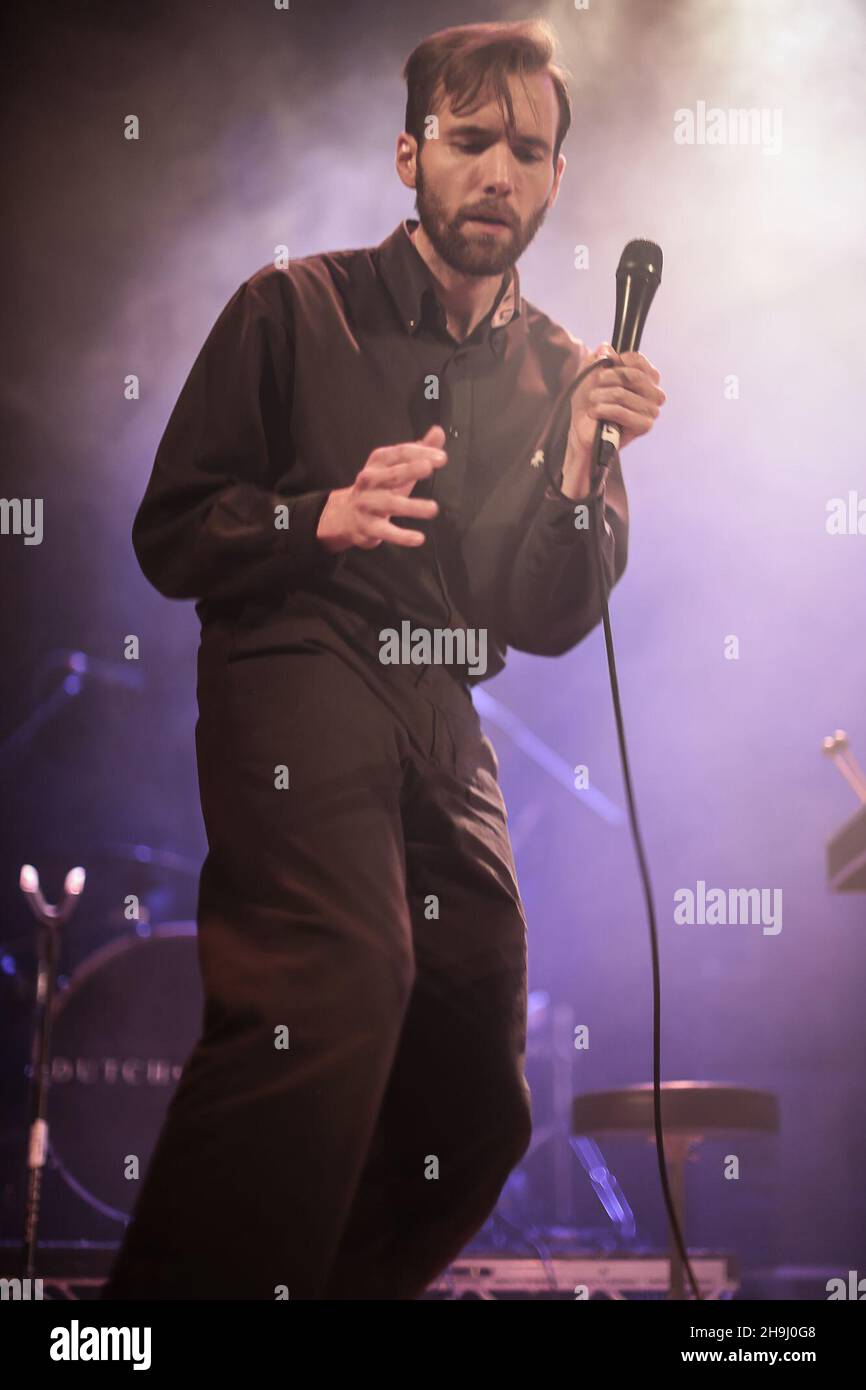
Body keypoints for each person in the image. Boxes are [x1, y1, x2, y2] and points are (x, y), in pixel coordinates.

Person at [102, 17, 665, 1301]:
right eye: (469, 141)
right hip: (295, 660)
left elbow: (546, 618)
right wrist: (315, 517)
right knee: (341, 975)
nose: (498, 173)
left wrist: (576, 468)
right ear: (409, 156)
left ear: (557, 180)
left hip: (441, 702)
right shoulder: (292, 308)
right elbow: (171, 529)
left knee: (477, 1091)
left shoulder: (563, 372)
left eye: (527, 151)